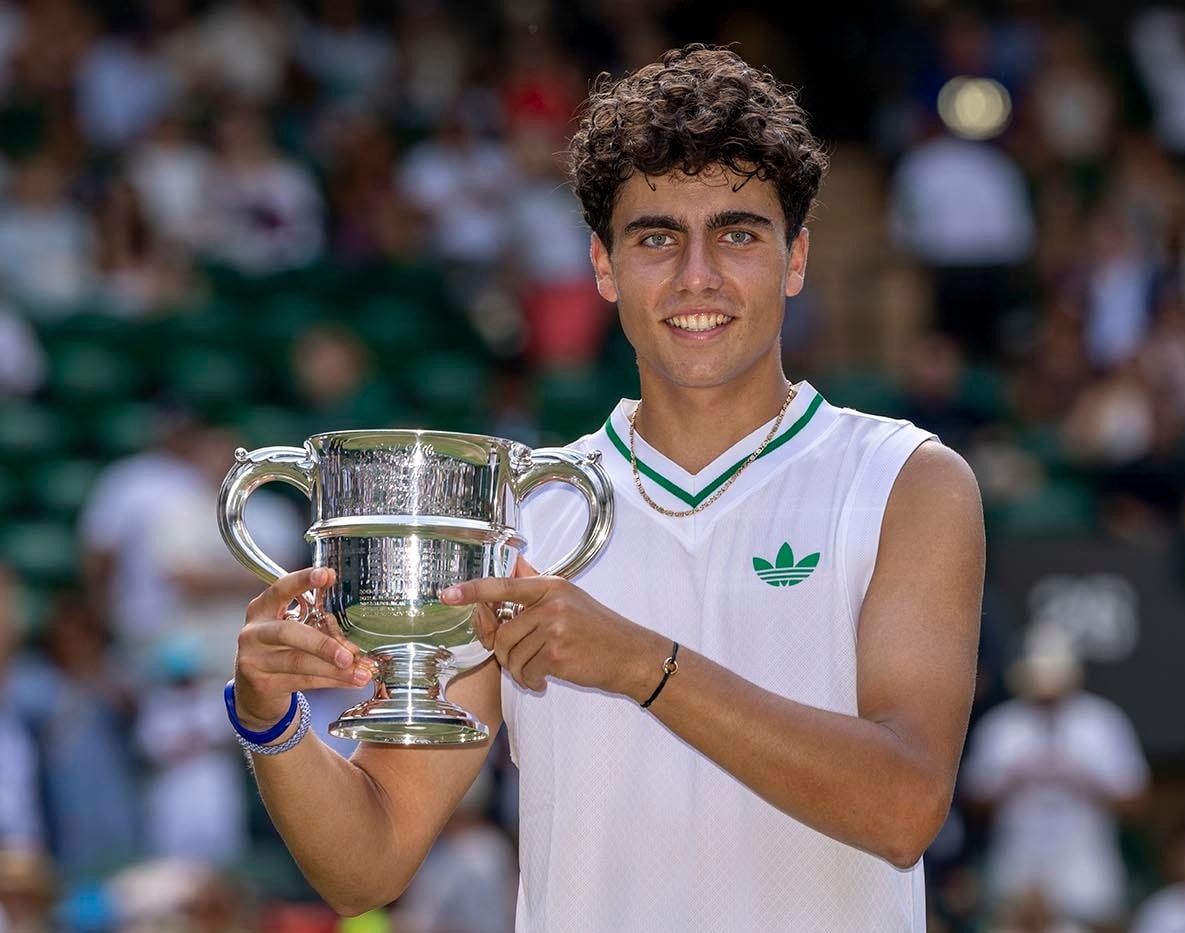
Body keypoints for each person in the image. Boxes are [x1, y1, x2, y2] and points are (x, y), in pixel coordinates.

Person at [227, 44, 985, 931]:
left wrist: (640, 664)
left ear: (796, 258)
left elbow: (904, 807)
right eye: (657, 237)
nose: (697, 275)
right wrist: (270, 718)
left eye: (738, 234)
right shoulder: (526, 510)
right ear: (602, 265)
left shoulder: (905, 480)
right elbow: (367, 862)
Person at [961, 624, 1150, 930]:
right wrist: (1013, 781)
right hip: (1016, 869)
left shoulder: (1102, 722)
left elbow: (1137, 802)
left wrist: (1083, 781)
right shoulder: (1001, 726)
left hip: (1087, 868)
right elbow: (972, 802)